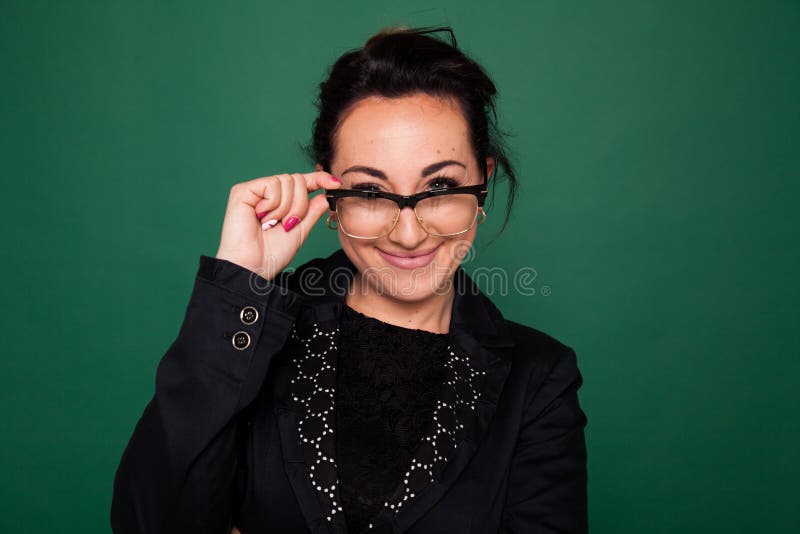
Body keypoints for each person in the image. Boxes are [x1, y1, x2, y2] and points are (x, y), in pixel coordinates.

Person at [111, 26, 588, 534]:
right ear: (330, 195)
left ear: (483, 183)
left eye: (441, 186)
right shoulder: (251, 335)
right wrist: (240, 283)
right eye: (369, 191)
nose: (408, 233)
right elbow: (150, 522)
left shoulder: (540, 379)